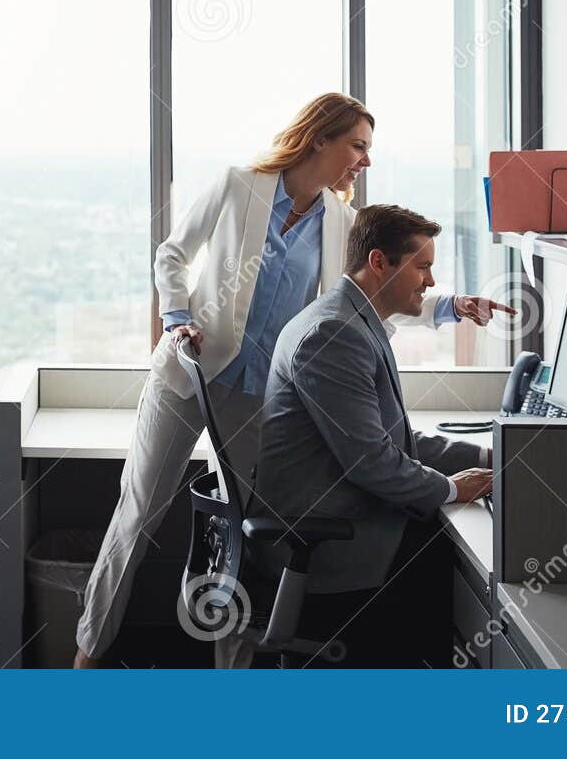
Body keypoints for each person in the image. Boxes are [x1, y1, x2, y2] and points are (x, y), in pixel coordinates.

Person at [72, 93, 511, 667]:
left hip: (256, 401)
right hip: (189, 376)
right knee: (138, 513)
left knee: (244, 542)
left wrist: (453, 306)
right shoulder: (238, 186)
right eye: (358, 145)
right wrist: (177, 317)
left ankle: (234, 678)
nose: (365, 161)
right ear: (320, 138)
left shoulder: (340, 220)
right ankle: (86, 653)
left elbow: (374, 292)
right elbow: (172, 254)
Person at [250, 204, 494, 667]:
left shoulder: (352, 321)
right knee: (460, 573)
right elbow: (373, 463)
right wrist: (452, 488)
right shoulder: (333, 333)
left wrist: (489, 452)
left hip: (341, 514)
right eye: (422, 266)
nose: (431, 281)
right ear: (379, 261)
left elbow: (393, 441)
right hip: (329, 539)